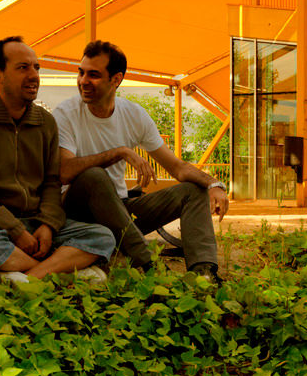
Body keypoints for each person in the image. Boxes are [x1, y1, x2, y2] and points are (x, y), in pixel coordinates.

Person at [0, 36, 115, 285]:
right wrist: (15, 231)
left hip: (30, 219)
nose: (34, 75)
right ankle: (58, 273)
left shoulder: (45, 122)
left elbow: (52, 182)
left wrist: (48, 225)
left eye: (36, 67)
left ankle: (27, 276)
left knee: (102, 236)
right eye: (23, 68)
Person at [53, 40, 229, 281]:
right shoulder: (65, 114)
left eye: (93, 75)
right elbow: (64, 171)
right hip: (77, 213)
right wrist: (120, 152)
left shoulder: (134, 115)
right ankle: (148, 265)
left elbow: (177, 167)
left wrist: (213, 184)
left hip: (121, 212)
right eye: (81, 72)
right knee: (94, 176)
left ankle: (204, 274)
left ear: (116, 80)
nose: (83, 81)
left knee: (193, 191)